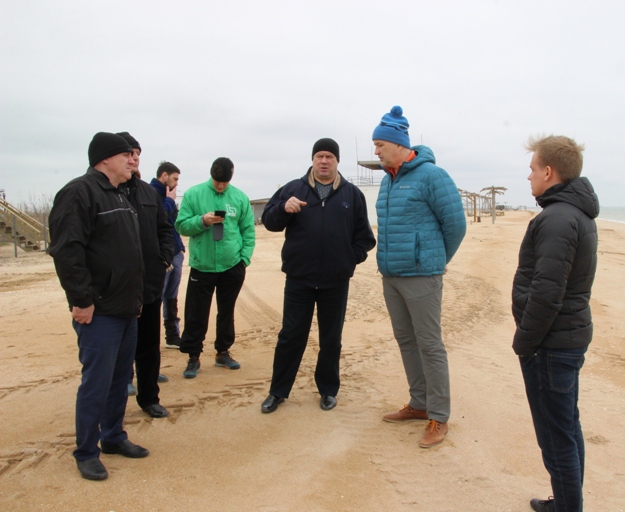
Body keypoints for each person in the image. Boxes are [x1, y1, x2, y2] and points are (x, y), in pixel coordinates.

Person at [48, 132, 151, 481]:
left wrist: (136, 300)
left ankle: (113, 437)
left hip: (125, 308)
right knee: (97, 382)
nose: (132, 160)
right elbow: (67, 251)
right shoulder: (79, 192)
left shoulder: (121, 193)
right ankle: (86, 451)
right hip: (100, 311)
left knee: (120, 379)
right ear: (105, 159)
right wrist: (81, 301)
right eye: (126, 155)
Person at [512, 135, 599, 512]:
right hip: (564, 339)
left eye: (532, 168)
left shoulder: (558, 218)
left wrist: (524, 343)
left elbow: (547, 293)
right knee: (566, 426)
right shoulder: (573, 213)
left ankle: (566, 507)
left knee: (556, 435)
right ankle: (564, 502)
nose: (528, 175)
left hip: (551, 344)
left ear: (549, 172)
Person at [372, 106, 466, 448]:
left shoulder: (432, 176)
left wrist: (435, 261)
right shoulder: (387, 180)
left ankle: (438, 417)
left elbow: (455, 225)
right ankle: (419, 403)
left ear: (399, 144)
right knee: (406, 341)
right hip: (391, 275)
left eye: (380, 144)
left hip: (422, 275)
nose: (376, 151)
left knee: (429, 343)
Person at [260, 138, 376, 413]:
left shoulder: (352, 195)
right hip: (299, 279)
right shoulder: (293, 189)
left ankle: (327, 390)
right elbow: (269, 221)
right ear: (312, 159)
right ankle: (278, 392)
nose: (324, 161)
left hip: (335, 282)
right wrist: (282, 209)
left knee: (331, 339)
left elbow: (365, 239)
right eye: (319, 156)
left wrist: (348, 259)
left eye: (329, 157)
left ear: (337, 161)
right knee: (290, 336)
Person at [175, 157, 255, 378]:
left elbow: (248, 230)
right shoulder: (194, 194)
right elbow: (181, 226)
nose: (220, 185)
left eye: (224, 182)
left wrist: (244, 259)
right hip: (203, 266)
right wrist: (202, 221)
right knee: (196, 313)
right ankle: (193, 356)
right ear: (211, 175)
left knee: (226, 312)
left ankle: (223, 352)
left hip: (232, 266)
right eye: (217, 181)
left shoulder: (239, 197)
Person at [117, 133, 175, 418]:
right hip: (115, 288)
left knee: (149, 345)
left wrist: (163, 257)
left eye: (138, 152)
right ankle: (116, 399)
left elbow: (165, 229)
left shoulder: (148, 192)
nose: (135, 157)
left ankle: (149, 397)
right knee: (117, 348)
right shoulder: (103, 191)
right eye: (129, 152)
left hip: (149, 284)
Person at [149, 161, 185, 349]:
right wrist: (169, 201)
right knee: (156, 297)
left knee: (171, 296)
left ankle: (172, 335)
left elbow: (174, 224)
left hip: (175, 252)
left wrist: (179, 249)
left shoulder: (166, 195)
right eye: (175, 179)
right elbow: (158, 219)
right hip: (161, 256)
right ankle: (152, 339)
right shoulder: (150, 192)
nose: (176, 184)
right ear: (164, 176)